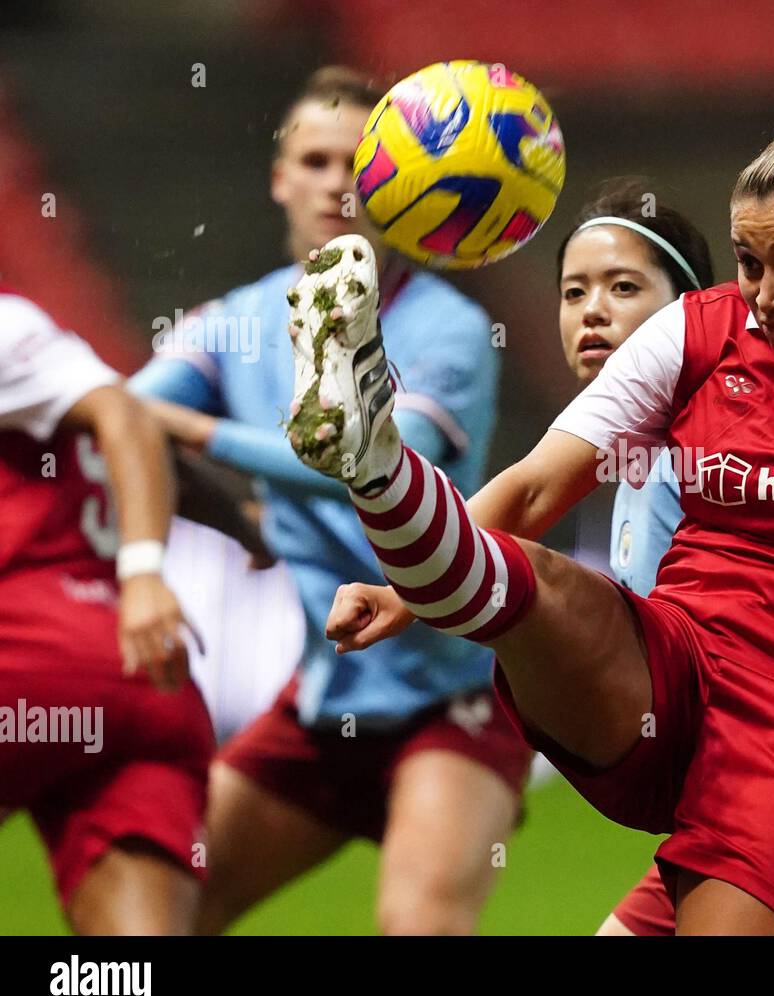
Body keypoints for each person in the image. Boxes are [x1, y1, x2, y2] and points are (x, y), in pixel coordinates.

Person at [303, 130, 774, 935]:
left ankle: (386, 474)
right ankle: (379, 466)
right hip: (676, 664)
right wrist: (408, 590)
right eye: (749, 262)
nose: (767, 294)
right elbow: (536, 483)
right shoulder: (697, 330)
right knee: (539, 585)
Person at [130, 66, 531, 935]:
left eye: (360, 162)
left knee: (417, 926)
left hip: (453, 689)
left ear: (395, 185)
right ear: (280, 178)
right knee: (160, 910)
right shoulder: (233, 321)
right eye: (315, 158)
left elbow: (385, 458)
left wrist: (200, 436)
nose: (338, 181)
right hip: (325, 699)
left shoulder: (446, 326)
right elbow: (123, 422)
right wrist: (232, 519)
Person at [551, 180, 774, 935]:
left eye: (623, 287)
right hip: (736, 825)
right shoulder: (627, 463)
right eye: (573, 290)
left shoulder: (715, 460)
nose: (593, 309)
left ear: (688, 312)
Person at [0, 287, 214, 934]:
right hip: (138, 676)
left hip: (28, 654)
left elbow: (127, 416)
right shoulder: (32, 337)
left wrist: (145, 569)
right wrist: (249, 528)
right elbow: (131, 424)